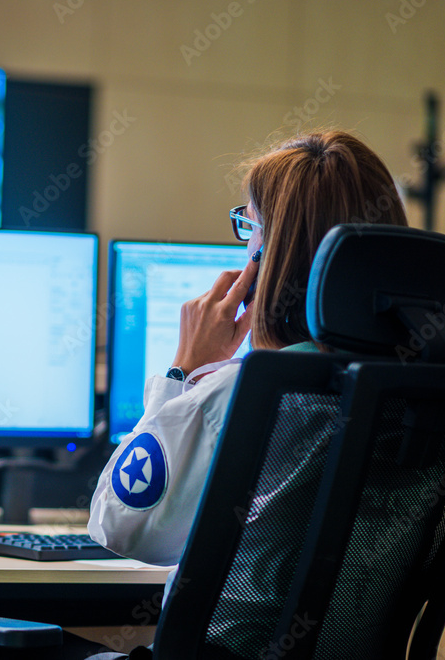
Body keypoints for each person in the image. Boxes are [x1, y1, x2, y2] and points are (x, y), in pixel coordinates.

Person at [89, 131, 408, 604]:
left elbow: (122, 528)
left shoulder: (249, 390)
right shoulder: (417, 395)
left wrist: (185, 371)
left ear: (270, 254)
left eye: (251, 225)